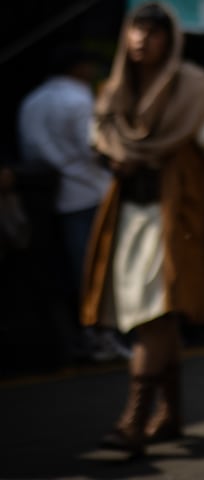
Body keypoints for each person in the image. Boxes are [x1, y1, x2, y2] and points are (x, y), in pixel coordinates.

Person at [82, 1, 204, 456]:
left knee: (152, 315)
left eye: (152, 32)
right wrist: (114, 157)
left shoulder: (194, 88)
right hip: (126, 216)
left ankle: (133, 421)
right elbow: (99, 144)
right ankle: (169, 414)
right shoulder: (114, 92)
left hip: (175, 219)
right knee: (155, 318)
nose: (141, 40)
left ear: (170, 39)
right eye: (135, 30)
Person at [16, 44, 128, 362]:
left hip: (53, 196)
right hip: (89, 192)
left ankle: (90, 335)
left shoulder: (33, 100)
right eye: (90, 65)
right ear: (79, 67)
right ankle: (100, 336)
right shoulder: (79, 99)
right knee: (96, 270)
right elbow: (95, 146)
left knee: (75, 268)